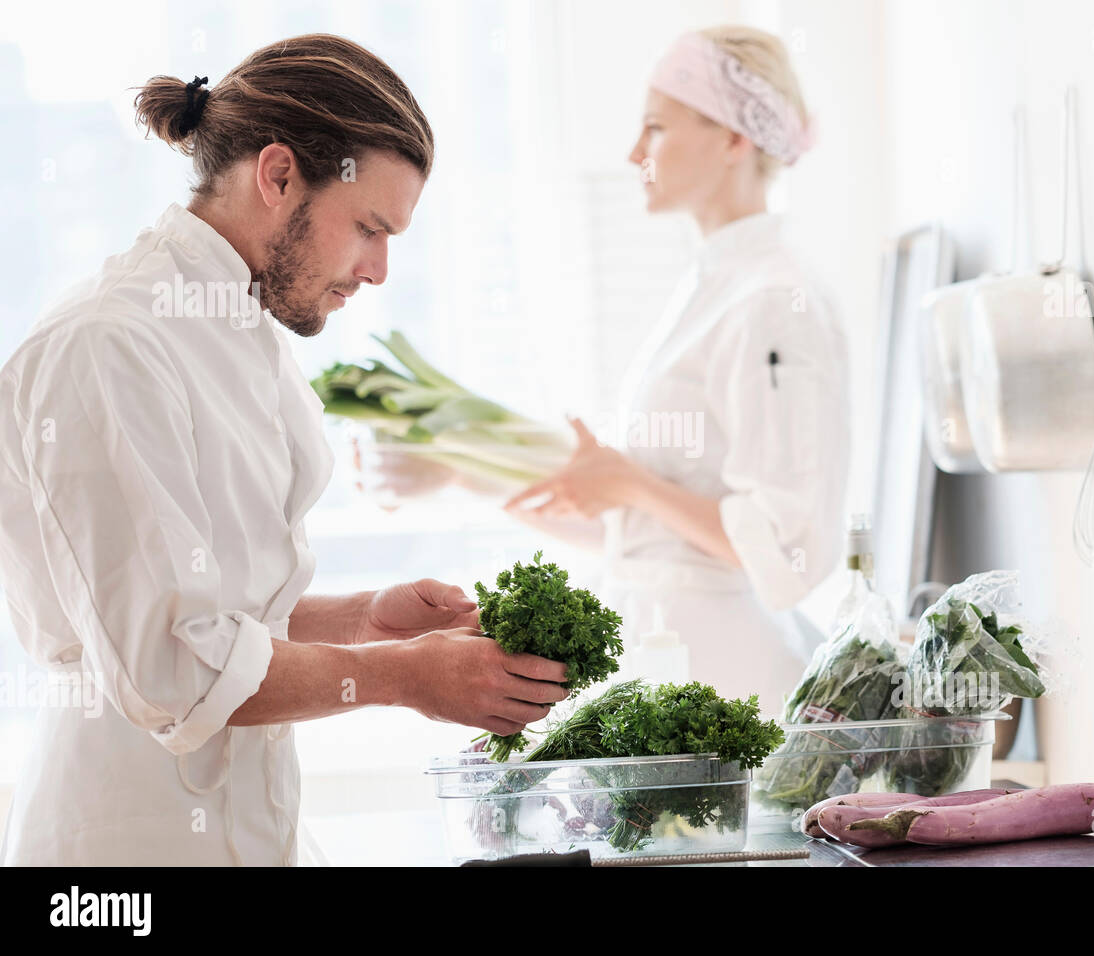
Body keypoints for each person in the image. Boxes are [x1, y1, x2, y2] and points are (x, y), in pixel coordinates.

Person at [0, 34, 570, 866]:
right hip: (130, 846)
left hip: (250, 823)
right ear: (276, 175)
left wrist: (366, 620)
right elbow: (171, 668)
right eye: (369, 228)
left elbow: (213, 612)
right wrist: (407, 677)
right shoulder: (109, 345)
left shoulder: (243, 325)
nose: (377, 270)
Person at [504, 26, 852, 715]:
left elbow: (783, 548)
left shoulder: (774, 303)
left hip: (725, 676)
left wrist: (628, 480)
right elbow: (653, 542)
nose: (635, 153)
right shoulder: (711, 286)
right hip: (667, 658)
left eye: (656, 128)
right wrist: (465, 474)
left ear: (733, 140)